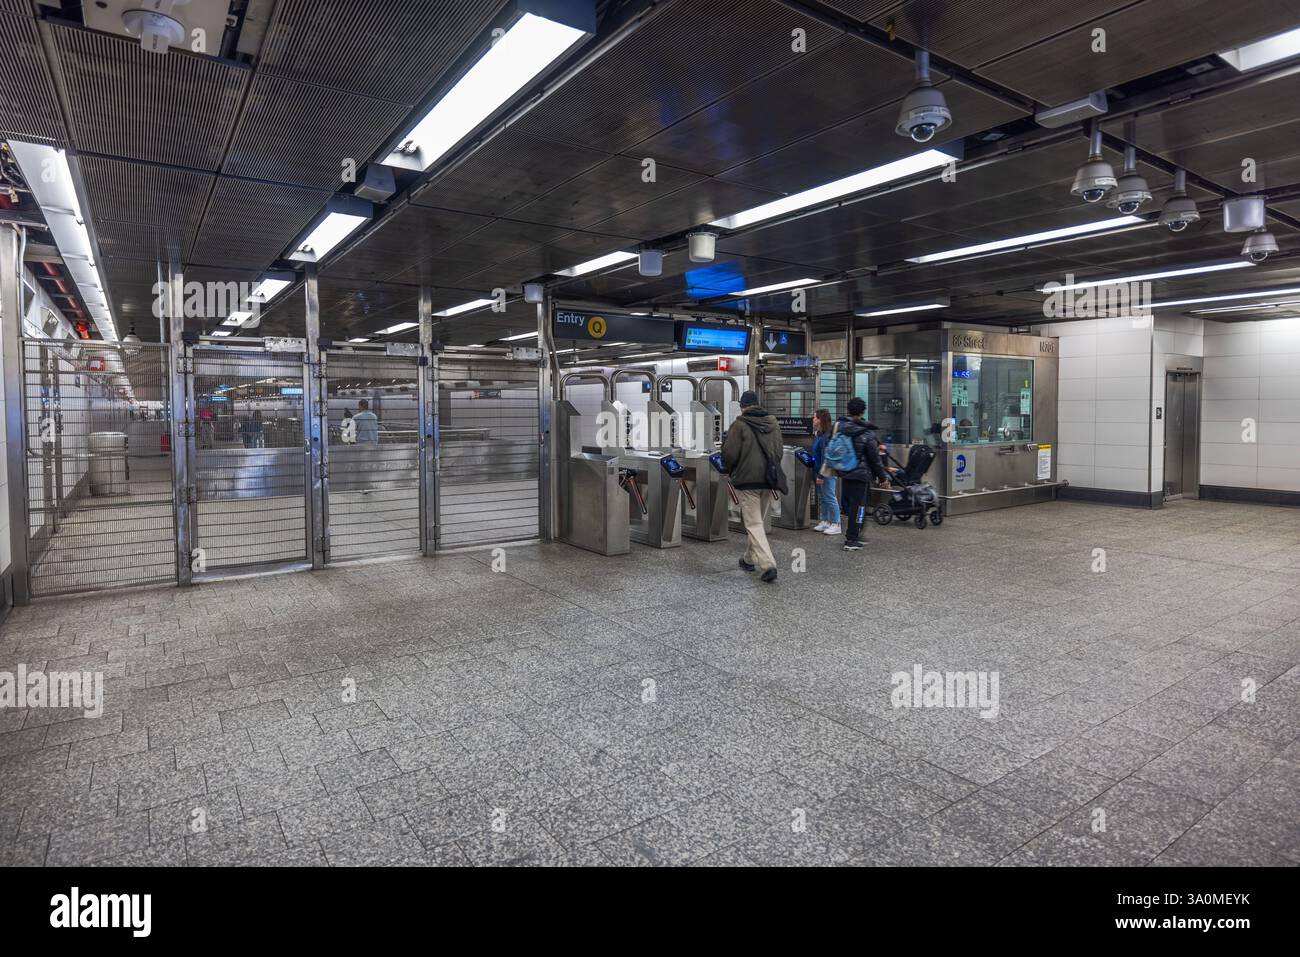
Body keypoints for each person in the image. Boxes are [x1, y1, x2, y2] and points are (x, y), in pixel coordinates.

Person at [721, 390, 784, 583]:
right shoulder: (773, 424)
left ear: (742, 406)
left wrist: (731, 470)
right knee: (757, 522)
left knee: (753, 523)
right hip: (768, 480)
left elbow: (729, 454)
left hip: (748, 481)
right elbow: (779, 450)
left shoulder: (739, 425)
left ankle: (768, 564)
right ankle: (748, 559)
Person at [834, 397, 891, 551]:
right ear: (862, 411)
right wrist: (883, 476)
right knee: (859, 508)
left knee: (851, 507)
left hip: (846, 472)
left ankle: (855, 534)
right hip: (861, 475)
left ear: (848, 410)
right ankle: (852, 539)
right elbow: (874, 458)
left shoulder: (841, 427)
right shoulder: (866, 433)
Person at [810, 408, 840, 536]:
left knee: (829, 496)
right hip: (819, 471)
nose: (813, 419)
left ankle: (836, 523)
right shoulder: (820, 435)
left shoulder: (826, 437)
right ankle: (826, 521)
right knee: (823, 497)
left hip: (827, 472)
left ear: (820, 420)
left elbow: (826, 458)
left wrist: (821, 475)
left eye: (815, 417)